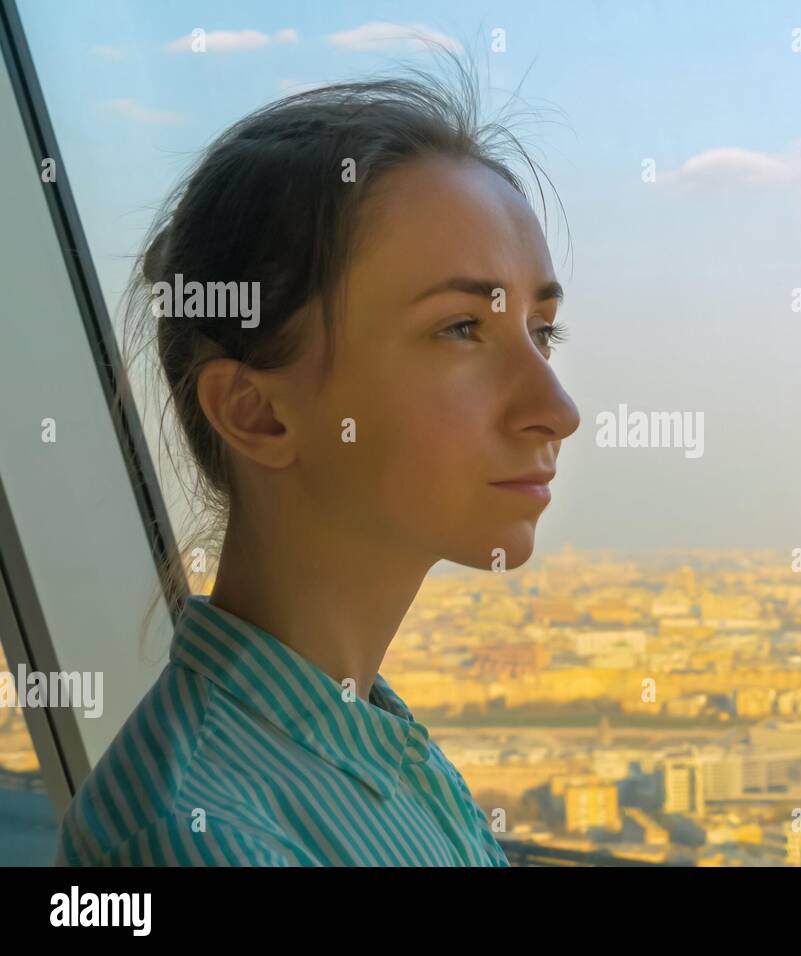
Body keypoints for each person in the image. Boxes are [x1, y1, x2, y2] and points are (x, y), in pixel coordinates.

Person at [55, 56, 579, 866]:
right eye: (461, 329)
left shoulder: (369, 754)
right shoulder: (205, 836)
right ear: (256, 411)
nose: (557, 410)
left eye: (542, 334)